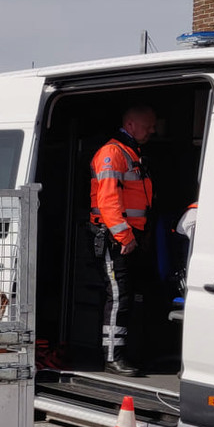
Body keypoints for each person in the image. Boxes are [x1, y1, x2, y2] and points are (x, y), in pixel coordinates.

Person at [90, 106, 156, 377]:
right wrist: (125, 236)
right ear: (130, 125)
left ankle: (124, 351)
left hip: (131, 236)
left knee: (128, 296)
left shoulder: (130, 153)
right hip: (116, 238)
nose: (153, 130)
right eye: (148, 125)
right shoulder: (112, 154)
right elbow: (108, 201)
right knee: (118, 297)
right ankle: (112, 357)